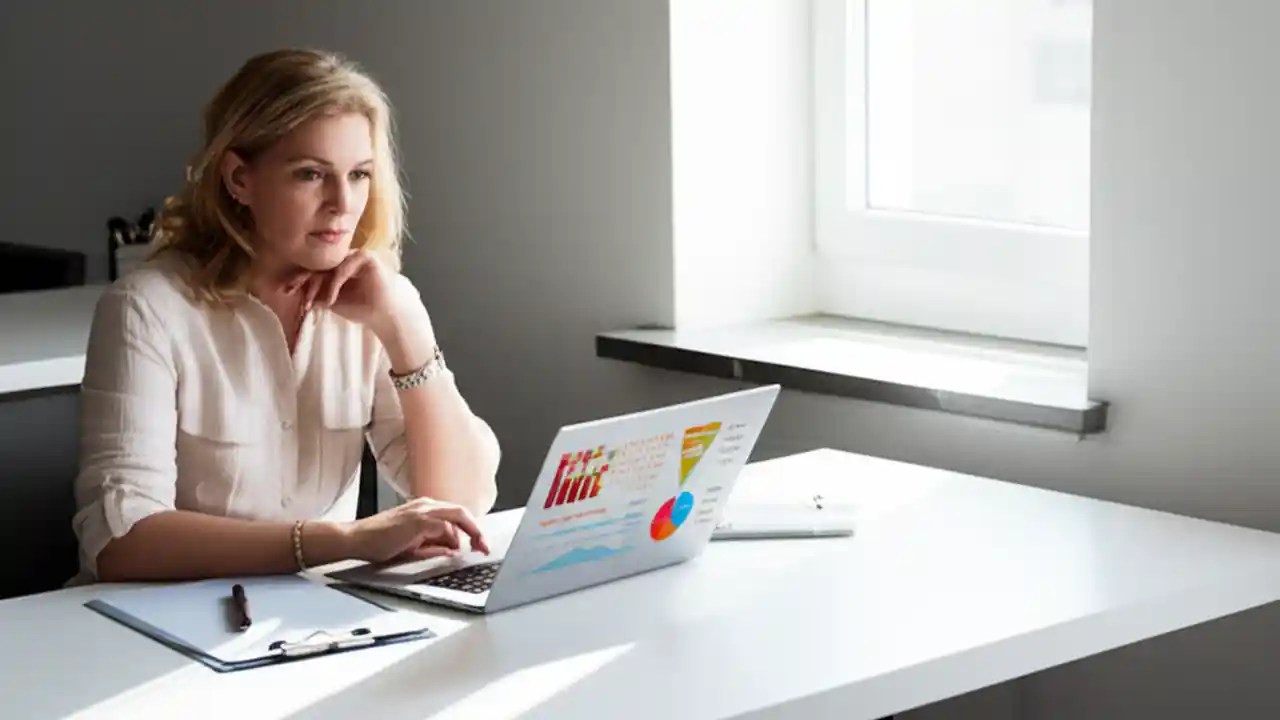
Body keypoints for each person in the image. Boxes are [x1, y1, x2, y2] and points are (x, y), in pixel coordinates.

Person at [70, 49, 499, 584]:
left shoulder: (377, 302)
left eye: (360, 174)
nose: (343, 203)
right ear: (239, 180)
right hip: (151, 629)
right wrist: (342, 541)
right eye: (311, 174)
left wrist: (405, 330)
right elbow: (121, 541)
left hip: (311, 628)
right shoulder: (147, 308)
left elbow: (461, 504)